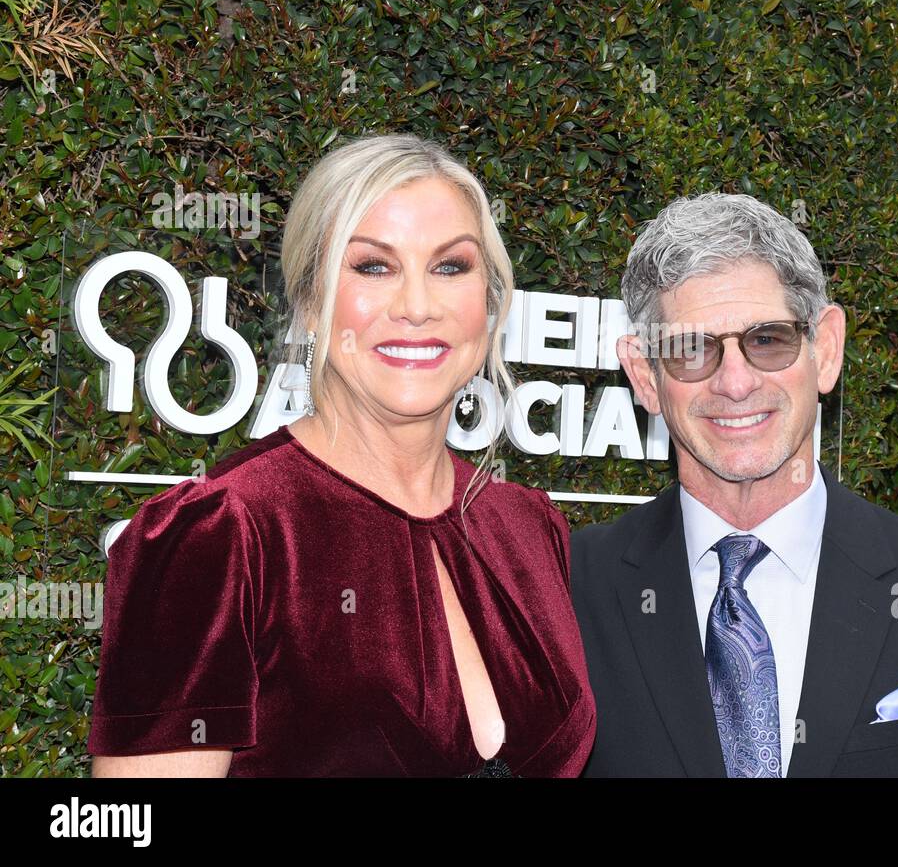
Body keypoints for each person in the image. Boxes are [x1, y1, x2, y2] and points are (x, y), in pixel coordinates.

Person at [88, 134, 595, 777]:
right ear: (308, 302)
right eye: (373, 267)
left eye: (450, 267)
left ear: (490, 305)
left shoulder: (530, 527)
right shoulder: (219, 531)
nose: (417, 306)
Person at [571, 192, 898, 777]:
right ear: (645, 376)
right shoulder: (568, 592)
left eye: (767, 340)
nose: (735, 381)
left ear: (825, 350)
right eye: (692, 350)